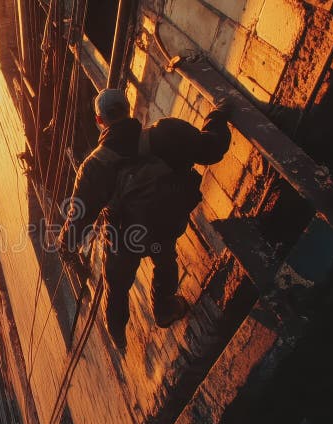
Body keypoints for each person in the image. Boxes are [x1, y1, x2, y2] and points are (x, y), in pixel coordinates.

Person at [57, 88, 232, 350]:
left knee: (116, 287)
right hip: (165, 225)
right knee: (165, 261)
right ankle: (164, 308)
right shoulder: (167, 133)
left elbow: (76, 224)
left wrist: (65, 248)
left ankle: (119, 337)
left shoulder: (93, 167)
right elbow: (212, 149)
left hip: (124, 240)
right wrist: (218, 115)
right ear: (128, 110)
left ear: (99, 120)